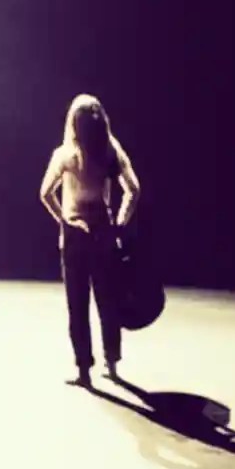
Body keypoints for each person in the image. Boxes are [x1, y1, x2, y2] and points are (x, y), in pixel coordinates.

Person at [39, 94, 141, 386]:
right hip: (103, 235)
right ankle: (112, 364)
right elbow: (134, 190)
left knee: (78, 304)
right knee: (107, 302)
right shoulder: (111, 151)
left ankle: (84, 370)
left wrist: (65, 221)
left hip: (74, 239)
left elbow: (45, 193)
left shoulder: (64, 154)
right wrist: (119, 224)